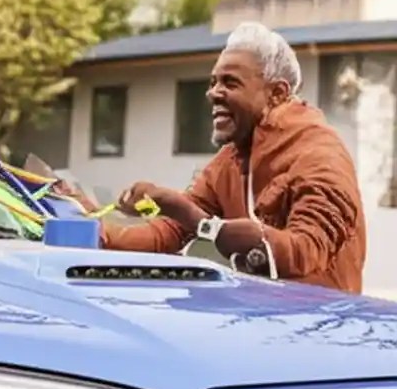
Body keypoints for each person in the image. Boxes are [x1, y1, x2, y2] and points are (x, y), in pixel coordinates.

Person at [101, 21, 365, 294]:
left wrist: (195, 217)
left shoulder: (320, 154)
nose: (212, 93)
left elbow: (304, 252)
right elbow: (166, 235)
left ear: (277, 94)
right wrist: (93, 227)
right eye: (213, 82)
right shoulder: (230, 158)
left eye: (230, 83)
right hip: (256, 319)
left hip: (319, 327)